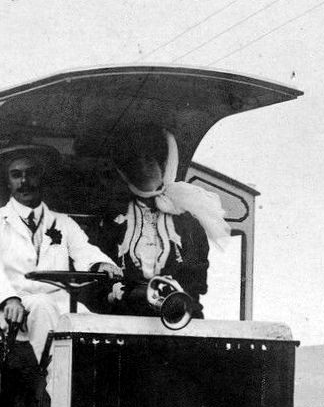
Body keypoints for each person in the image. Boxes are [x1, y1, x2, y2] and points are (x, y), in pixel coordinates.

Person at [0, 144, 118, 407]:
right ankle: (59, 392)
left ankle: (94, 398)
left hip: (55, 309)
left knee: (91, 323)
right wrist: (8, 298)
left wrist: (100, 262)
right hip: (10, 314)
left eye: (31, 173)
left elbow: (83, 250)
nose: (24, 181)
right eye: (16, 174)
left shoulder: (62, 222)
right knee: (40, 304)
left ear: (41, 176)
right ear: (8, 180)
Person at [95, 124, 230, 317]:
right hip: (126, 314)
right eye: (135, 160)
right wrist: (119, 292)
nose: (144, 165)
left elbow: (198, 279)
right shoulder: (113, 220)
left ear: (164, 163)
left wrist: (173, 294)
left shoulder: (188, 223)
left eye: (150, 158)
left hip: (178, 316)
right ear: (125, 171)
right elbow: (100, 275)